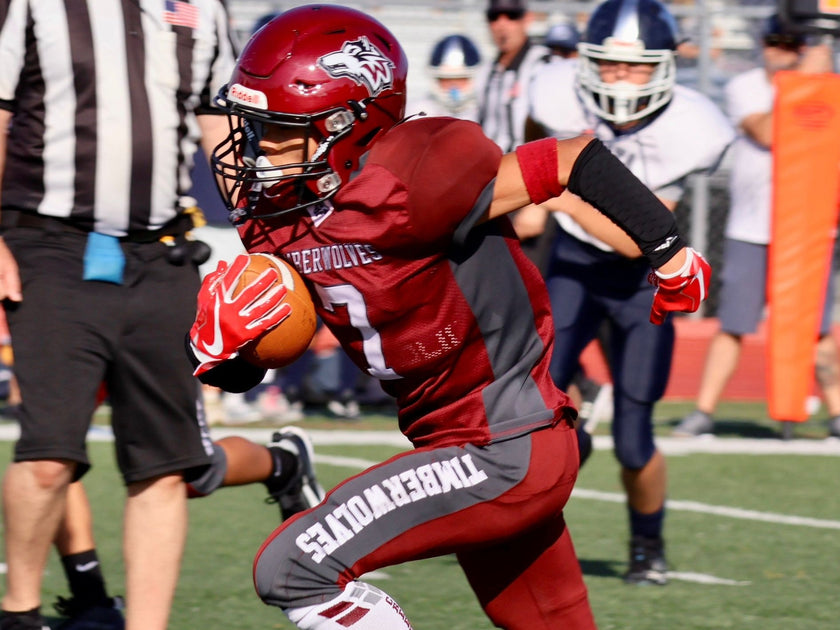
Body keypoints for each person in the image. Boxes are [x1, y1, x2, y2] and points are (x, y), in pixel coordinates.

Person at [188, 5, 711, 628]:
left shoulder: (415, 172)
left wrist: (670, 251)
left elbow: (572, 161)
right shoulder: (276, 212)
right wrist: (224, 354)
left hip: (504, 444)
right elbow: (263, 357)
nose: (255, 147)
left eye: (278, 127)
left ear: (347, 121)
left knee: (293, 568)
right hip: (459, 446)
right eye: (253, 125)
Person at [0, 4, 320, 630]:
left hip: (162, 251)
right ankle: (19, 614)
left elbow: (220, 127)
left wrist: (270, 236)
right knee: (47, 454)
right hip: (50, 246)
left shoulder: (202, 7)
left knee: (169, 466)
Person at [526, 0, 735, 585]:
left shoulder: (695, 127)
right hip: (570, 264)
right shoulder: (554, 93)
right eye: (610, 66)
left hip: (646, 280)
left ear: (666, 66)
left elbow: (632, 240)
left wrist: (556, 188)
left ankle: (648, 546)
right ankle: (523, 533)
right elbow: (526, 155)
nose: (620, 78)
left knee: (635, 439)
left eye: (638, 66)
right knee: (539, 412)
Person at [674, 15, 840, 439]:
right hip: (752, 227)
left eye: (790, 43)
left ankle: (836, 412)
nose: (779, 50)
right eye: (774, 41)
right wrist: (804, 75)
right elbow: (768, 132)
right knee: (734, 323)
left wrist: (812, 79)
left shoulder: (825, 88)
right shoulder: (746, 86)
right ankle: (705, 411)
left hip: (807, 229)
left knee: (818, 330)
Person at [476, 0, 550, 153]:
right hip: (490, 169)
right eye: (494, 17)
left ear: (527, 19)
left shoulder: (543, 65)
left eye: (512, 16)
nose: (502, 25)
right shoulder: (486, 70)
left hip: (529, 167)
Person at [406, 34, 483, 121]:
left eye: (460, 79)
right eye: (446, 80)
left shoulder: (487, 111)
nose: (454, 87)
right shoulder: (419, 111)